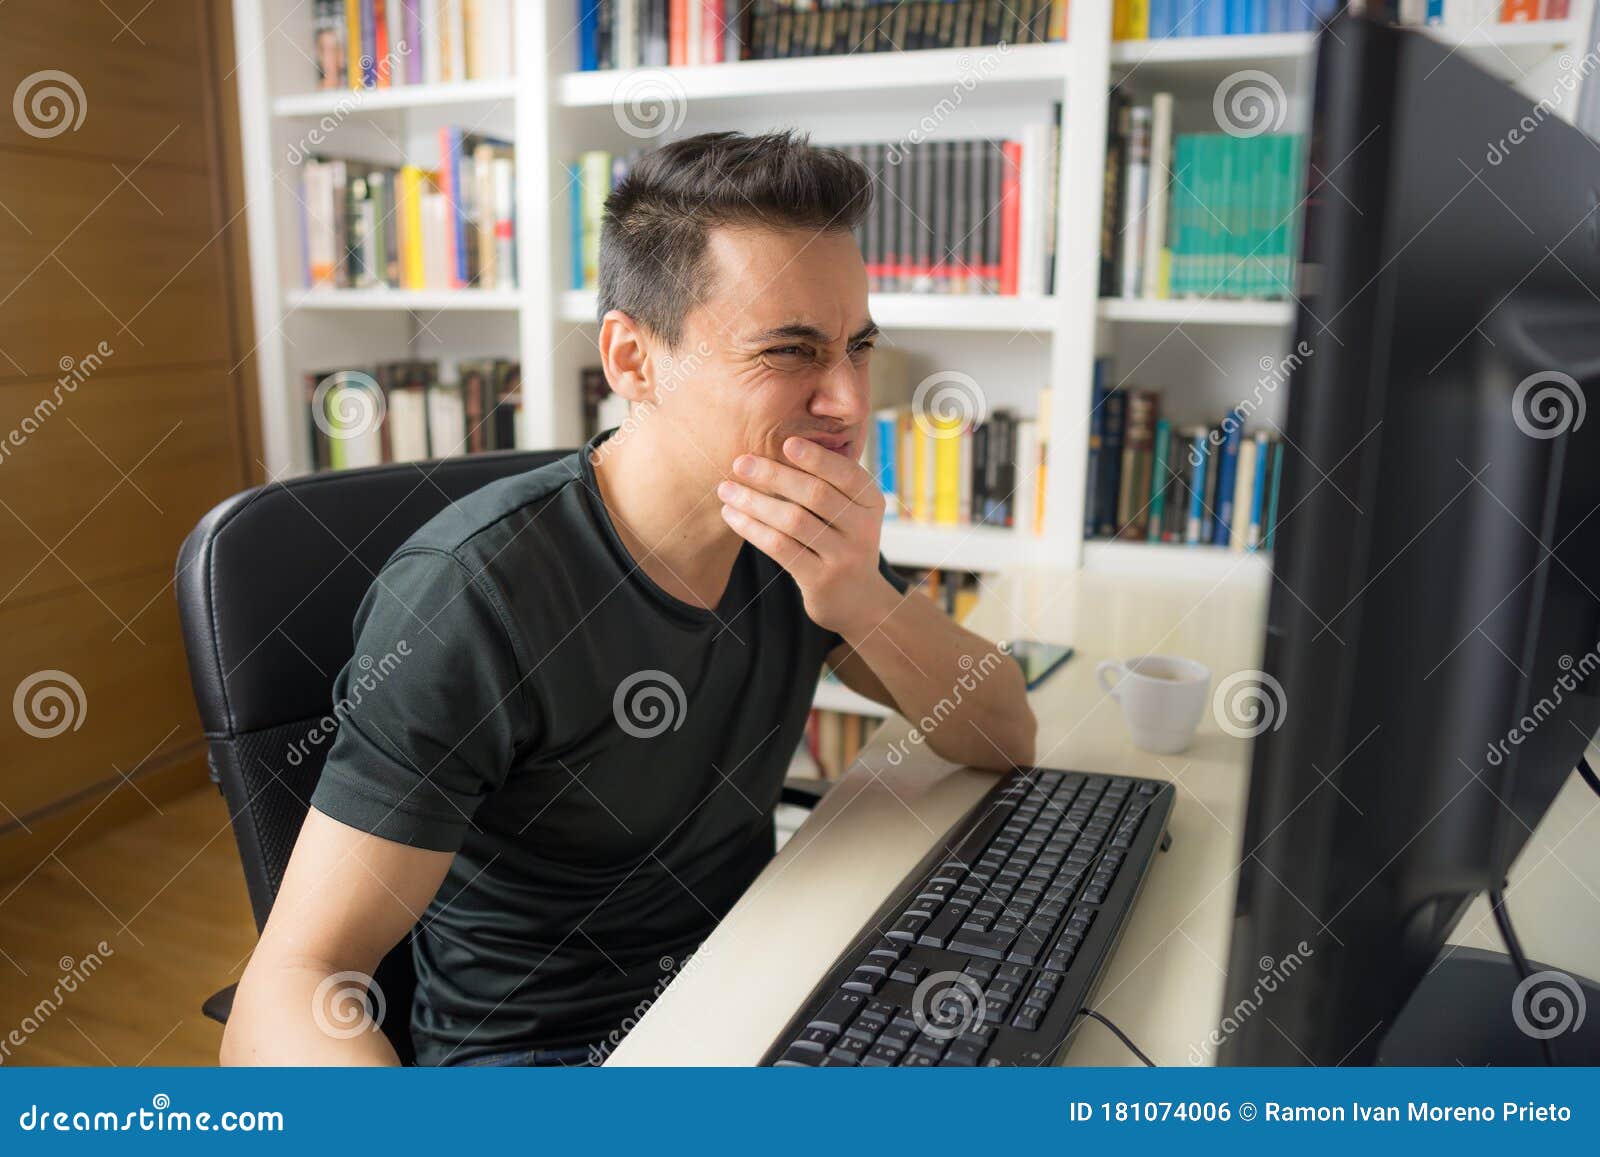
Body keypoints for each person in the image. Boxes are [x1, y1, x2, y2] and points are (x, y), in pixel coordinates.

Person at [220, 130, 1037, 1067]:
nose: (849, 401)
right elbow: (293, 982)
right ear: (634, 360)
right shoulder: (469, 594)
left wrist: (858, 595)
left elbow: (1003, 734)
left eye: (858, 348)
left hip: (760, 995)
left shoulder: (796, 529)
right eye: (791, 351)